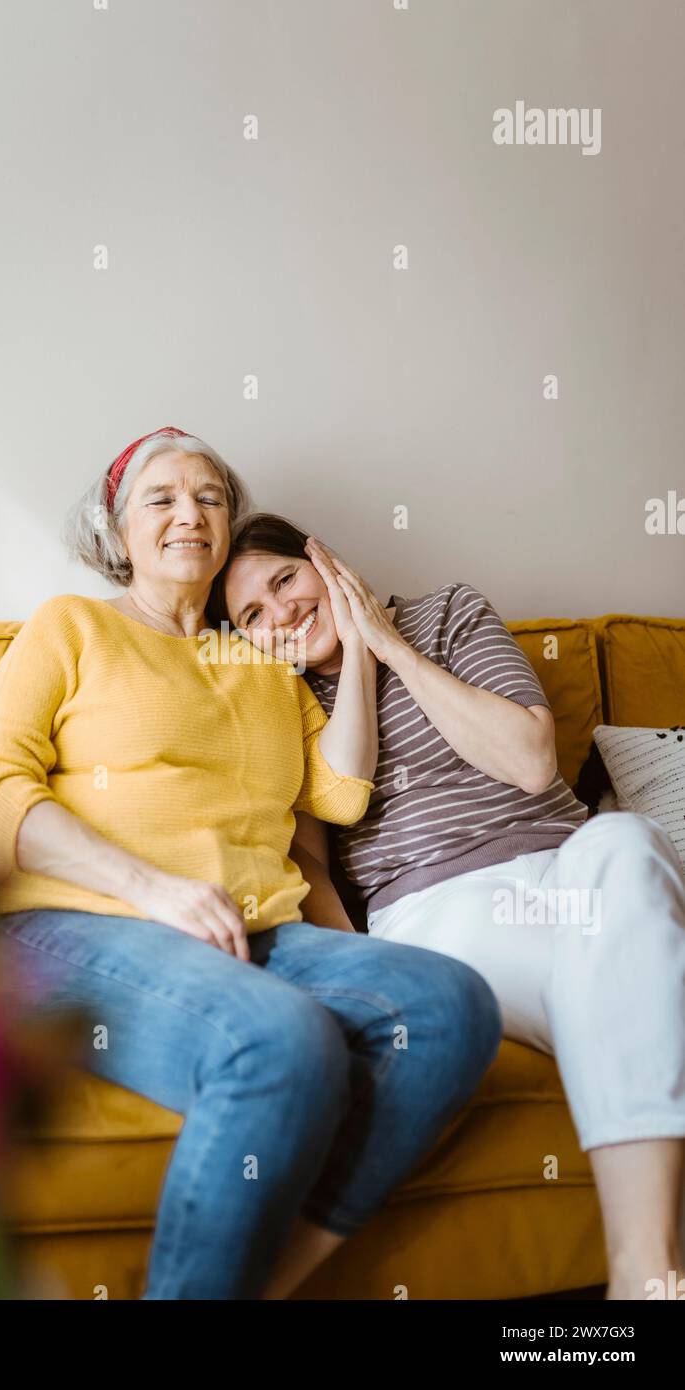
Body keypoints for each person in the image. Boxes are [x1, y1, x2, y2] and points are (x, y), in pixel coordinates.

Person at [0, 430, 502, 1300]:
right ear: (116, 530)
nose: (188, 513)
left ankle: (261, 1284)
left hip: (249, 929)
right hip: (70, 923)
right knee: (282, 1040)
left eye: (209, 496)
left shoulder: (267, 667)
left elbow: (342, 793)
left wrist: (361, 643)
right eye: (160, 498)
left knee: (449, 1004)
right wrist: (147, 886)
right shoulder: (74, 625)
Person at [215, 511, 685, 1300]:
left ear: (323, 561)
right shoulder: (275, 702)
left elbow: (532, 762)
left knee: (627, 842)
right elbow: (310, 867)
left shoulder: (446, 615)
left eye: (284, 581)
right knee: (625, 966)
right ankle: (651, 1277)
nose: (282, 615)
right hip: (444, 913)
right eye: (251, 616)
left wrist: (388, 646)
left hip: (575, 871)